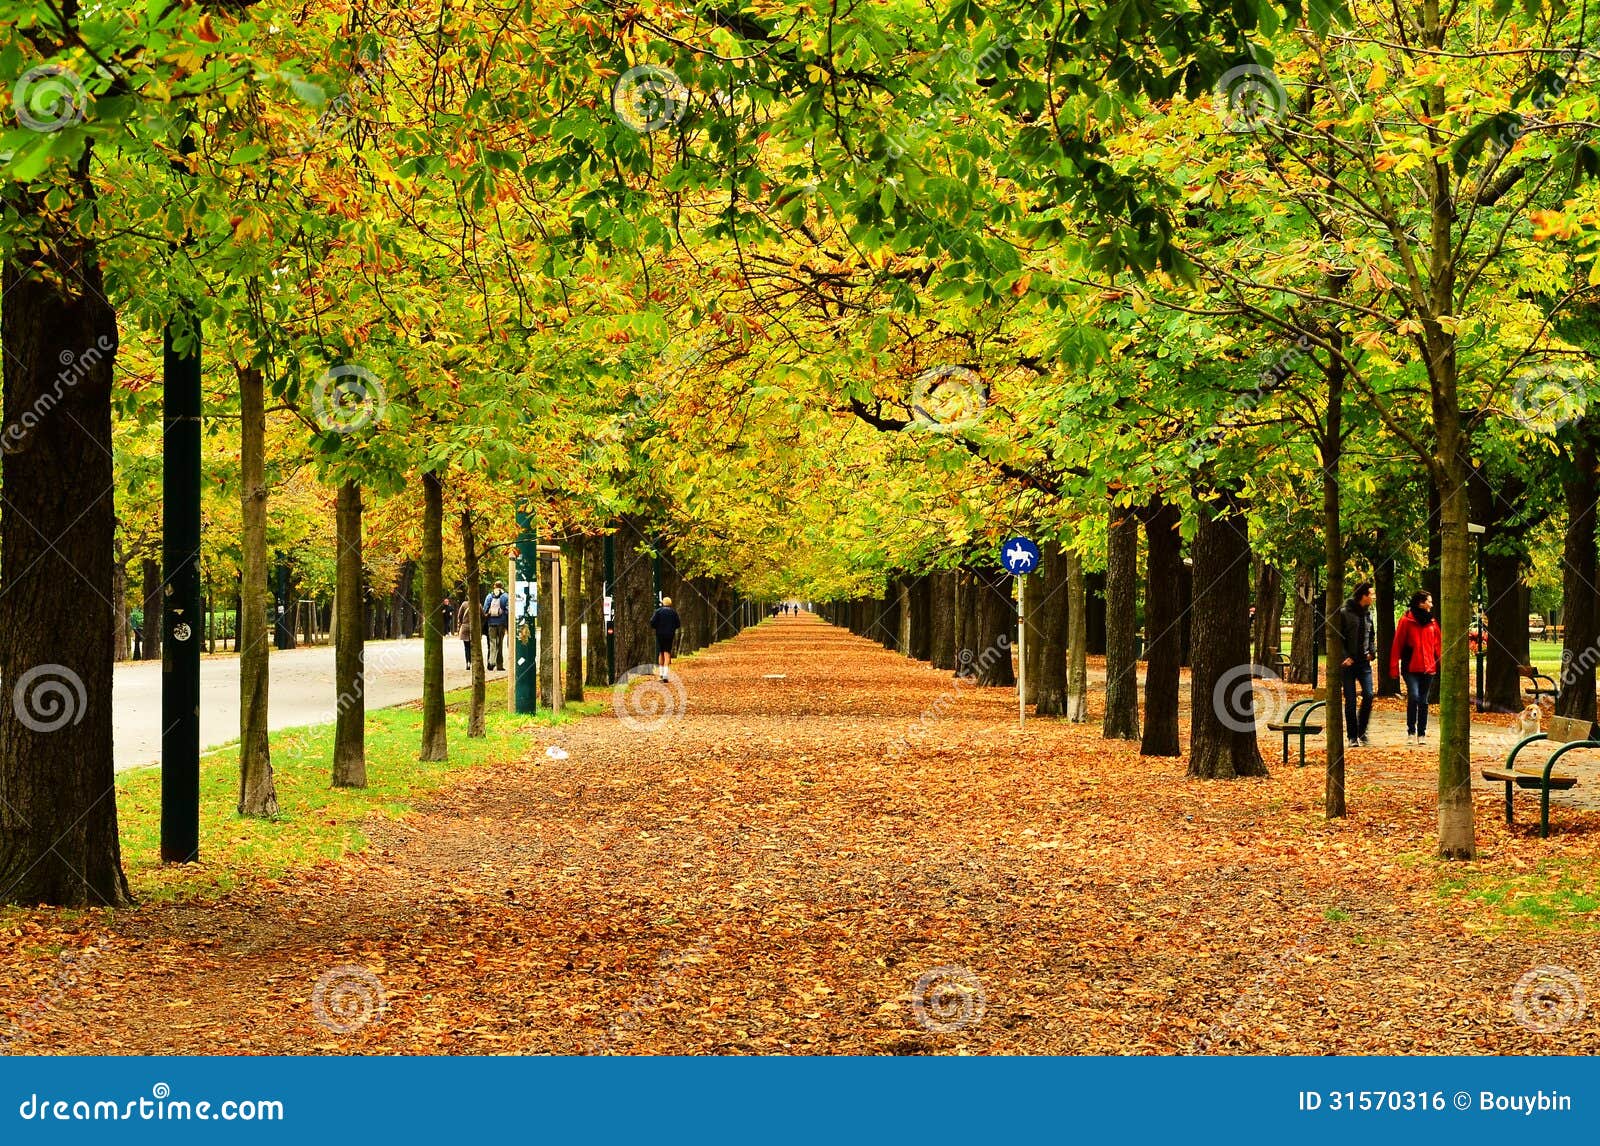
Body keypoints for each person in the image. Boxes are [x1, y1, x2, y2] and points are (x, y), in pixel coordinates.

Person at [1390, 590, 1442, 746]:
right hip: (1411, 667)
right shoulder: (1406, 621)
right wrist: (1393, 666)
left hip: (1428, 667)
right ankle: (1411, 731)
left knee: (1424, 700)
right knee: (1414, 696)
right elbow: (1397, 643)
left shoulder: (1432, 622)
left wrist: (1441, 662)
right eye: (1429, 601)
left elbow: (1438, 643)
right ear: (1421, 603)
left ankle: (1422, 733)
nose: (1431, 605)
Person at [1338, 581, 1377, 747]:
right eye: (1372, 594)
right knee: (1351, 700)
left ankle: (1362, 731)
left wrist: (1372, 653)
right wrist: (1344, 656)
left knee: (1369, 695)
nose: (1374, 597)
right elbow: (1337, 638)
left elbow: (1372, 635)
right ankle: (1352, 736)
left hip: (1364, 664)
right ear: (1364, 596)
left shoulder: (1368, 615)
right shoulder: (1344, 613)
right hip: (1348, 665)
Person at [650, 595, 681, 679]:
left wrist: (657, 627)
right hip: (669, 635)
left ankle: (661, 672)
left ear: (663, 603)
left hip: (660, 634)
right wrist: (672, 628)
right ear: (670, 603)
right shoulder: (673, 612)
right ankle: (665, 674)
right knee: (667, 653)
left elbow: (652, 622)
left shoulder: (658, 611)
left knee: (661, 653)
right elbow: (678, 624)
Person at [483, 580, 510, 672]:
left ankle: (490, 663)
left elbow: (485, 609)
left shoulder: (489, 596)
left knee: (492, 643)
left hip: (491, 623)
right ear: (502, 586)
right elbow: (508, 610)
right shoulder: (505, 596)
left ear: (494, 586)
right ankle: (499, 665)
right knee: (500, 644)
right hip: (501, 623)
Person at [455, 596, 474, 669]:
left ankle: (468, 662)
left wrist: (460, 624)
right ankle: (473, 662)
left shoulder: (464, 604)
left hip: (465, 627)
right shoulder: (478, 604)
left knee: (466, 647)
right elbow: (482, 616)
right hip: (474, 628)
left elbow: (459, 616)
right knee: (473, 646)